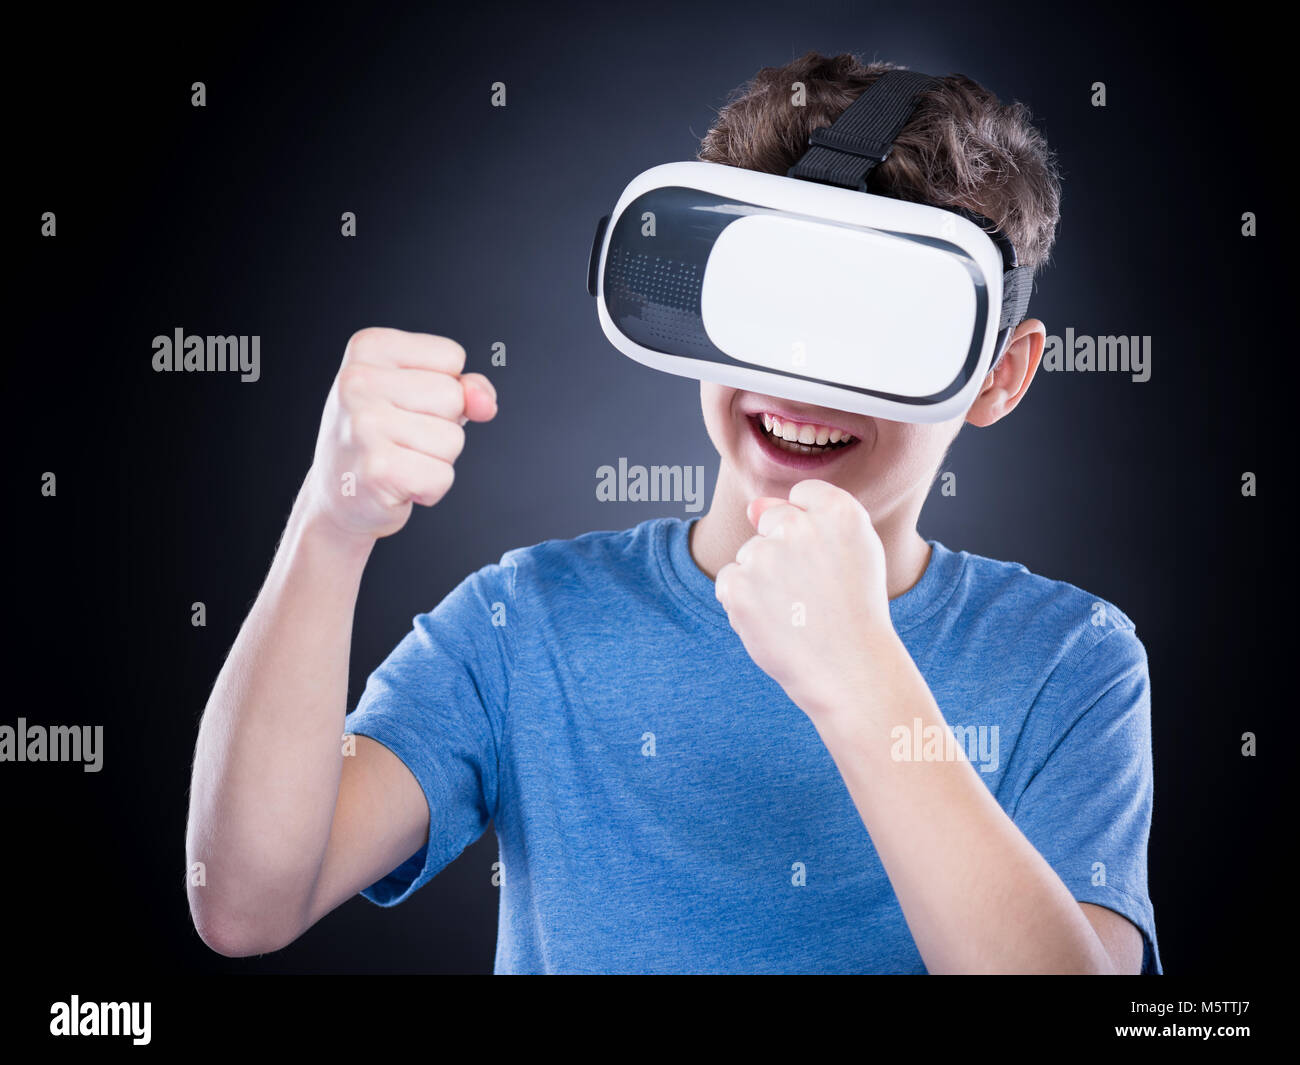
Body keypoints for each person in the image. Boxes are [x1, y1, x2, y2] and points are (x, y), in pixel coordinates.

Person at [185, 52, 1160, 974]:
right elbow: (244, 906)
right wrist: (330, 524)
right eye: (771, 304)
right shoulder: (528, 619)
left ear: (1000, 373)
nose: (802, 378)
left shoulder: (1069, 659)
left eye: (887, 325)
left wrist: (862, 679)